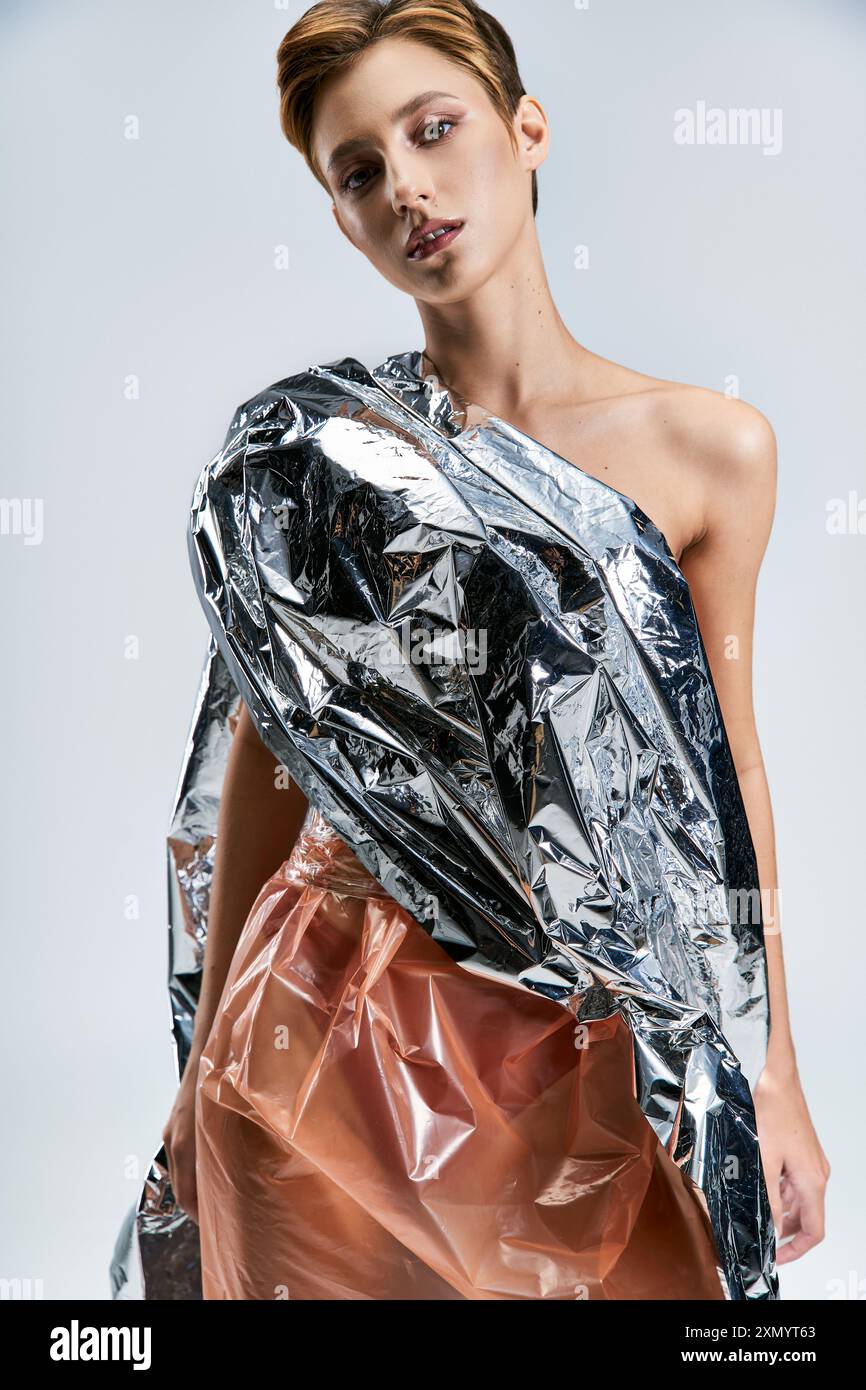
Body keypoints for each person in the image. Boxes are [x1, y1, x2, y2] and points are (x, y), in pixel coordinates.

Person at [163, 0, 828, 1298]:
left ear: (525, 130)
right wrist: (199, 1070)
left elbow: (725, 776)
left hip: (582, 1023)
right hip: (327, 1004)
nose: (406, 185)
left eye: (433, 128)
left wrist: (770, 1072)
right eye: (358, 171)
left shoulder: (706, 450)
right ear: (336, 209)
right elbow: (272, 755)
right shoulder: (313, 464)